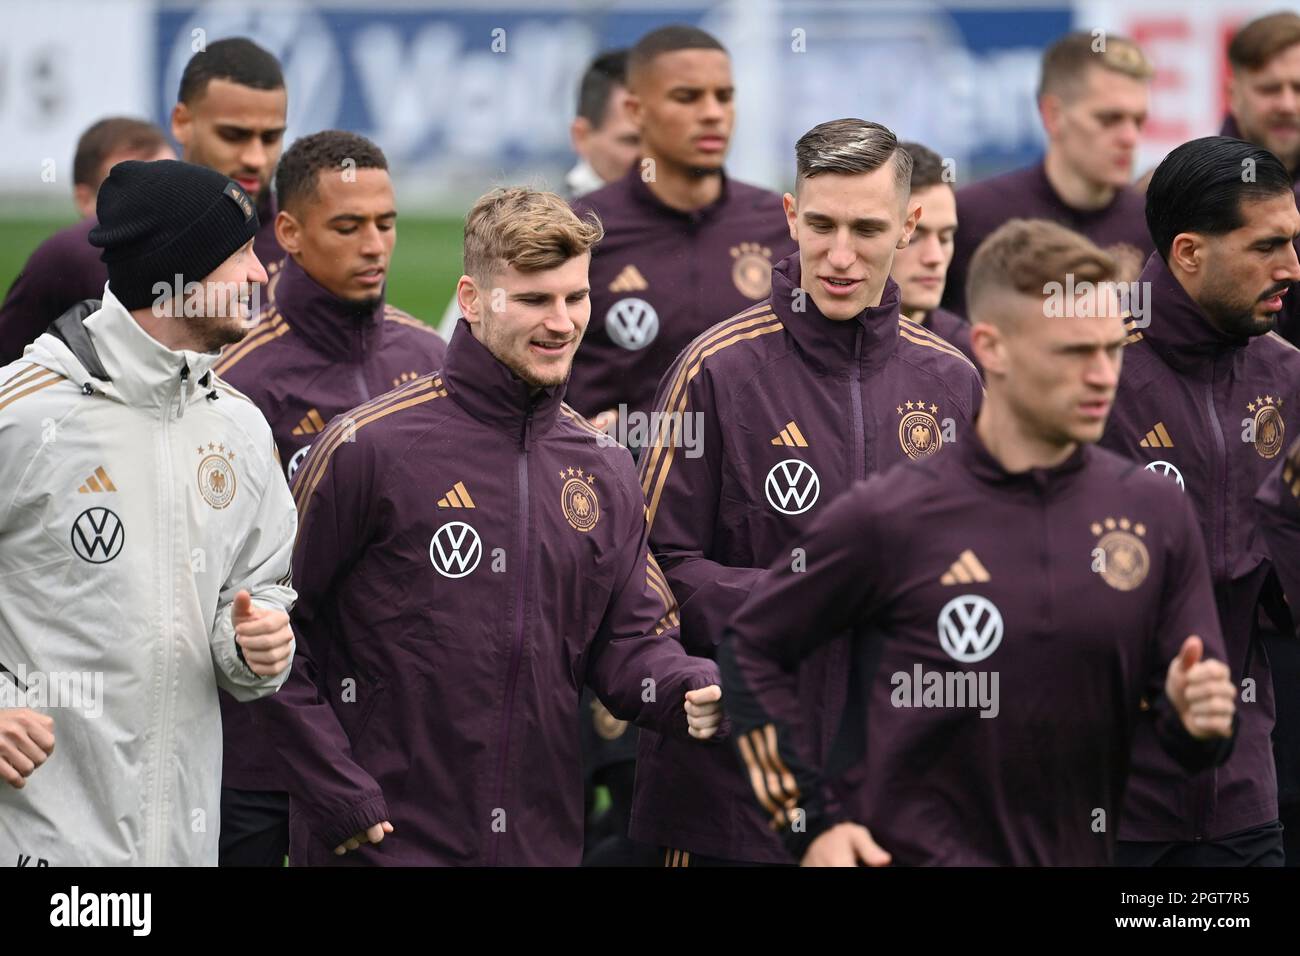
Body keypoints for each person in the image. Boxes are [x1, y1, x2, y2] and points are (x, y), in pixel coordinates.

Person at [719, 218, 1236, 866]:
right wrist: (809, 824)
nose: (1104, 375)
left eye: (1113, 348)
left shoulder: (1155, 510)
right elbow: (752, 649)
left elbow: (1192, 726)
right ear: (991, 348)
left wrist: (1200, 719)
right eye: (1075, 352)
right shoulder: (893, 514)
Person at [249, 187, 724, 866]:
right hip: (383, 846)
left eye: (575, 298)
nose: (562, 323)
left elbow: (627, 641)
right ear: (471, 301)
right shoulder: (367, 449)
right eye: (534, 300)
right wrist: (338, 794)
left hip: (539, 845)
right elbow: (271, 636)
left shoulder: (605, 467)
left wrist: (684, 685)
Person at [631, 119, 982, 866]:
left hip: (899, 798)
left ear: (910, 224)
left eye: (868, 227)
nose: (842, 255)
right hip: (733, 800)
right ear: (791, 217)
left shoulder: (953, 381)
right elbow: (650, 566)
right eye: (820, 225)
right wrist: (813, 597)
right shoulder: (714, 369)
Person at [0, 159, 297, 865]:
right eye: (241, 256)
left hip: (185, 846)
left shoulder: (241, 429)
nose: (263, 276)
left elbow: (257, 596)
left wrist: (256, 645)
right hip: (42, 845)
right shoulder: (22, 413)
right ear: (177, 277)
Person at [211, 130, 446, 866]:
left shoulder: (430, 360)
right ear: (288, 232)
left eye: (386, 222)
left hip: (390, 742)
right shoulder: (232, 379)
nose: (375, 244)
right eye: (348, 226)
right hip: (255, 751)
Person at [1100, 136, 1300, 866]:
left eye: (1295, 241)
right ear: (1188, 253)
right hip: (1099, 805)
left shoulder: (1288, 377)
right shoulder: (1085, 365)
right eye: (1269, 246)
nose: (1293, 269)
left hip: (1241, 799)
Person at [567, 25, 795, 432]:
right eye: (686, 97)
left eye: (724, 97)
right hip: (618, 487)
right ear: (637, 112)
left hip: (753, 485)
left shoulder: (780, 225)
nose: (712, 113)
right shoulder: (581, 230)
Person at [942, 31, 1153, 318]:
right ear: (1053, 115)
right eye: (1109, 119)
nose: (1129, 137)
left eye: (1138, 121)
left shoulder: (1154, 226)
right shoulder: (972, 216)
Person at [0, 117, 173, 364]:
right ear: (85, 200)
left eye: (171, 187)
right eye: (129, 193)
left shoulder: (208, 255)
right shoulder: (62, 259)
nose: (154, 207)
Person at [172, 37, 288, 270]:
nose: (256, 159)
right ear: (182, 123)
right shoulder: (103, 249)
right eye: (233, 135)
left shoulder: (310, 247)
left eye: (270, 138)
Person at [890, 140, 976, 366]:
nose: (935, 257)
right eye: (914, 237)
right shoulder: (806, 341)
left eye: (945, 238)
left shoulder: (970, 356)